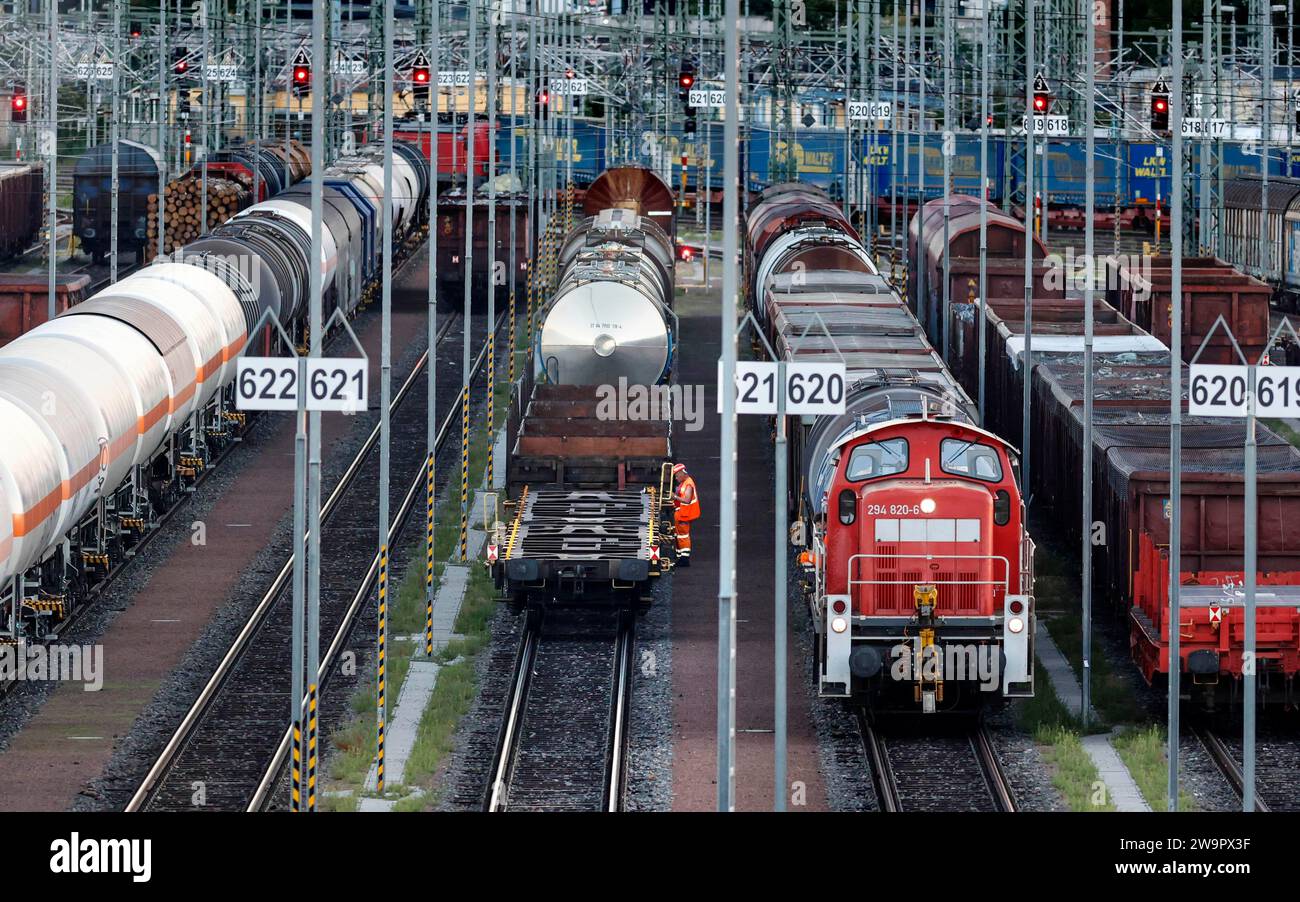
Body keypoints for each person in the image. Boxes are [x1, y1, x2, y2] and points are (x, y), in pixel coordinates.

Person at [672, 463, 701, 567]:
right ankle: (680, 557)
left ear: (681, 472)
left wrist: (674, 497)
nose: (676, 477)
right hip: (681, 513)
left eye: (676, 475)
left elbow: (687, 500)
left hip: (685, 514)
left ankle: (684, 559)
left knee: (683, 535)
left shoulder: (688, 484)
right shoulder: (685, 483)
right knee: (679, 535)